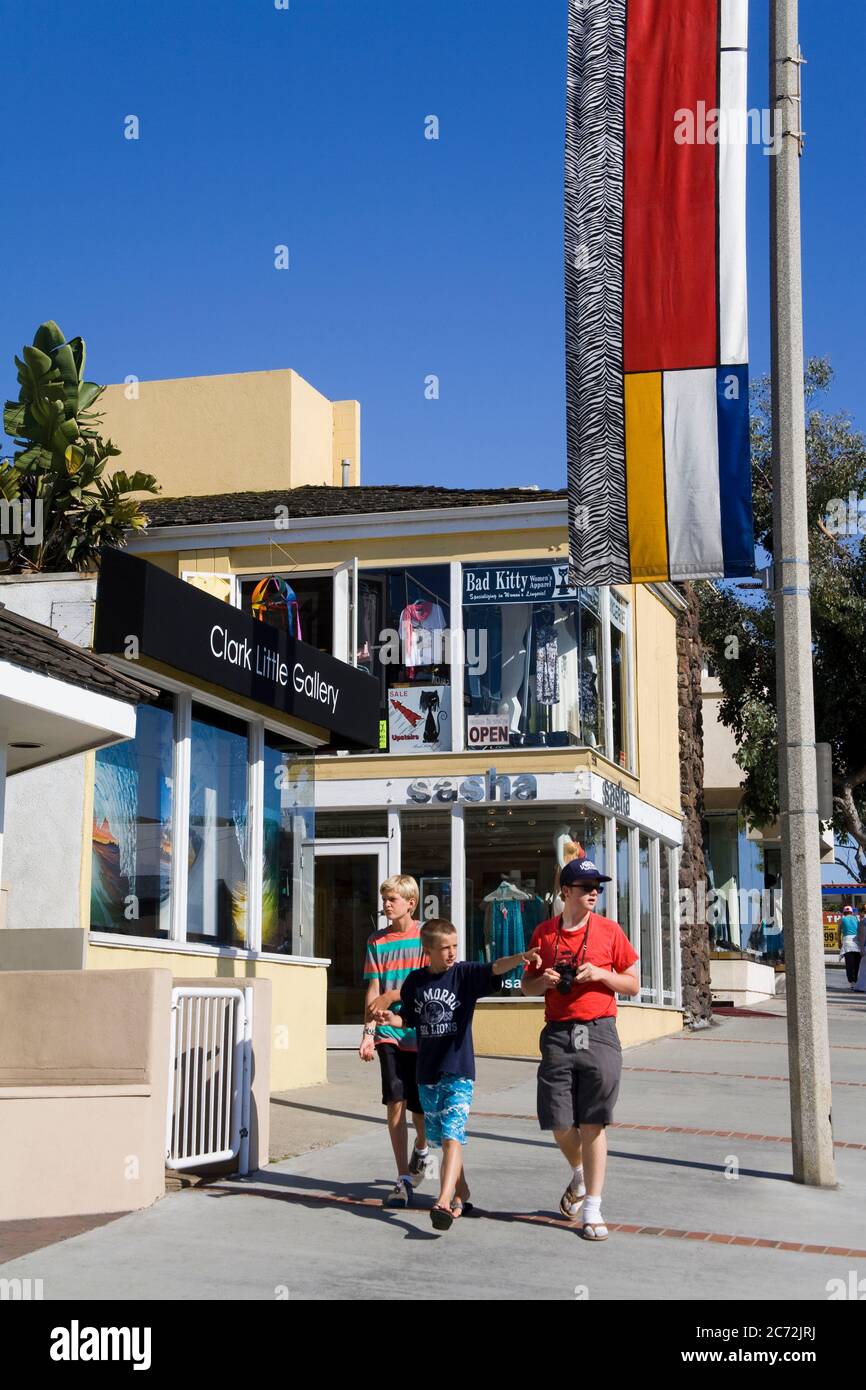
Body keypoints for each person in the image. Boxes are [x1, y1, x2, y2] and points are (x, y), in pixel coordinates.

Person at [373, 918, 541, 1233]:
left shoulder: (463, 975)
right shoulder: (414, 982)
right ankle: (462, 1192)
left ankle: (443, 1201)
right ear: (428, 951)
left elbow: (494, 968)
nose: (451, 953)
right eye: (445, 948)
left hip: (458, 1071)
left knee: (452, 1135)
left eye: (454, 947)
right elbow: (409, 1019)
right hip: (427, 1075)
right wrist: (390, 1018)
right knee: (442, 1139)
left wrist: (521, 958)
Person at [521, 858, 639, 1241]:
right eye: (586, 886)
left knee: (593, 1121)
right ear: (566, 891)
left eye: (598, 887)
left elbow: (633, 984)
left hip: (599, 1031)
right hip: (558, 1033)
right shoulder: (544, 933)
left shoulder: (609, 931)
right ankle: (579, 1174)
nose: (594, 892)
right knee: (558, 1123)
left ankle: (592, 1209)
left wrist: (601, 973)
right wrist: (548, 982)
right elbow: (528, 988)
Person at [360, 875, 431, 1208]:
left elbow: (428, 984)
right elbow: (373, 991)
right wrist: (368, 1034)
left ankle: (422, 1150)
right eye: (385, 899)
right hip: (388, 1034)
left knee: (421, 1110)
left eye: (392, 899)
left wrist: (393, 995)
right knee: (395, 1100)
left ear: (410, 903)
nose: (386, 904)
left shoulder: (425, 937)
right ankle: (403, 1178)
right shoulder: (376, 941)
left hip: (419, 1032)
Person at [840, 905, 861, 989]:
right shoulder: (856, 918)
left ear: (844, 912)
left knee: (849, 964)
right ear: (852, 912)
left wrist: (838, 941)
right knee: (857, 964)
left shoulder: (842, 919)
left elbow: (838, 931)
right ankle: (856, 981)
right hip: (857, 943)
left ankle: (851, 982)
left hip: (847, 943)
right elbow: (860, 930)